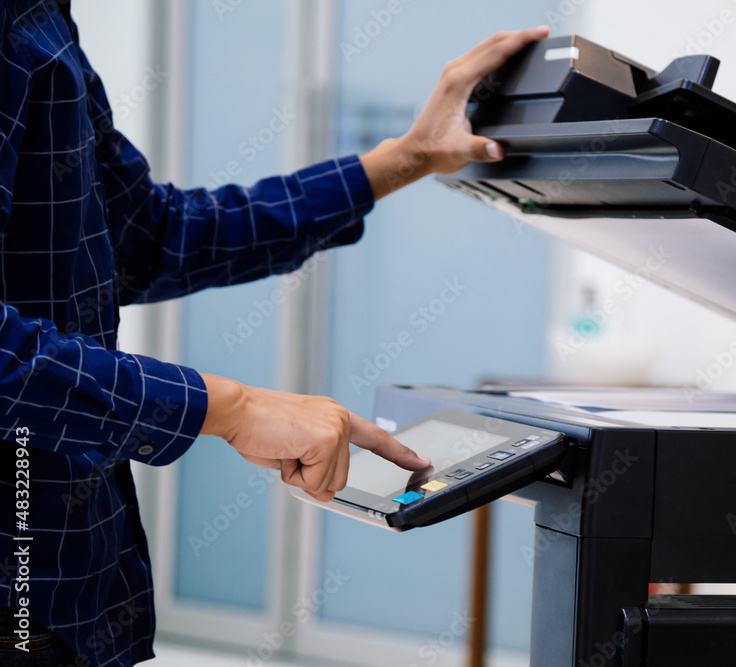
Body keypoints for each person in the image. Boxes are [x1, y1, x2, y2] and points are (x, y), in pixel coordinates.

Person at [0, 1, 549, 664]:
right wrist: (230, 407)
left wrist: (402, 160)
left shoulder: (43, 20)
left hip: (73, 582)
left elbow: (149, 237)